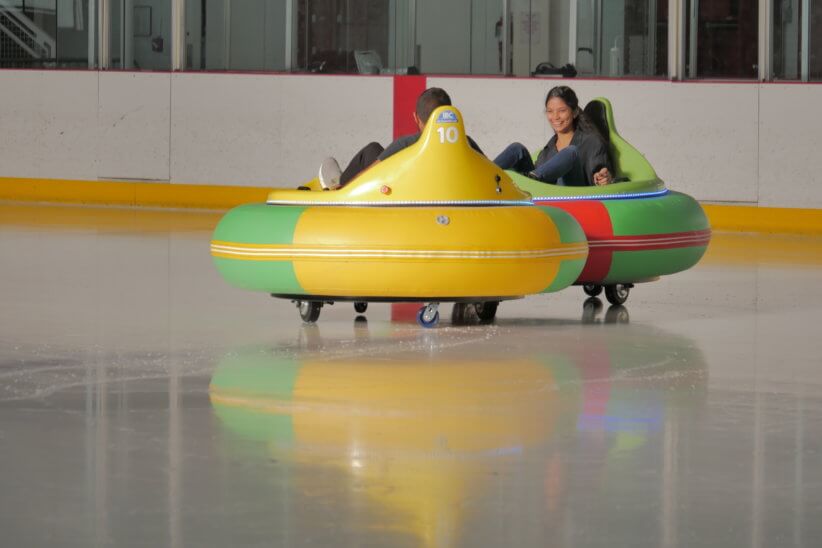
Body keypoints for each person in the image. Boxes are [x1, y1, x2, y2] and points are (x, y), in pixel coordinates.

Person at [317, 87, 483, 189]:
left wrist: (343, 189)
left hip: (403, 192)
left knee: (372, 149)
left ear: (416, 118)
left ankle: (339, 180)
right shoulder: (467, 143)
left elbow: (370, 173)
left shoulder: (405, 144)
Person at [493, 86, 613, 186]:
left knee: (570, 151)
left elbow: (600, 172)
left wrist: (602, 177)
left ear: (575, 112)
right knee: (517, 148)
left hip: (573, 196)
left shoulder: (591, 141)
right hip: (543, 193)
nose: (555, 117)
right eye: (550, 111)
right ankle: (485, 174)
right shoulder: (548, 149)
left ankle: (531, 181)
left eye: (562, 111)